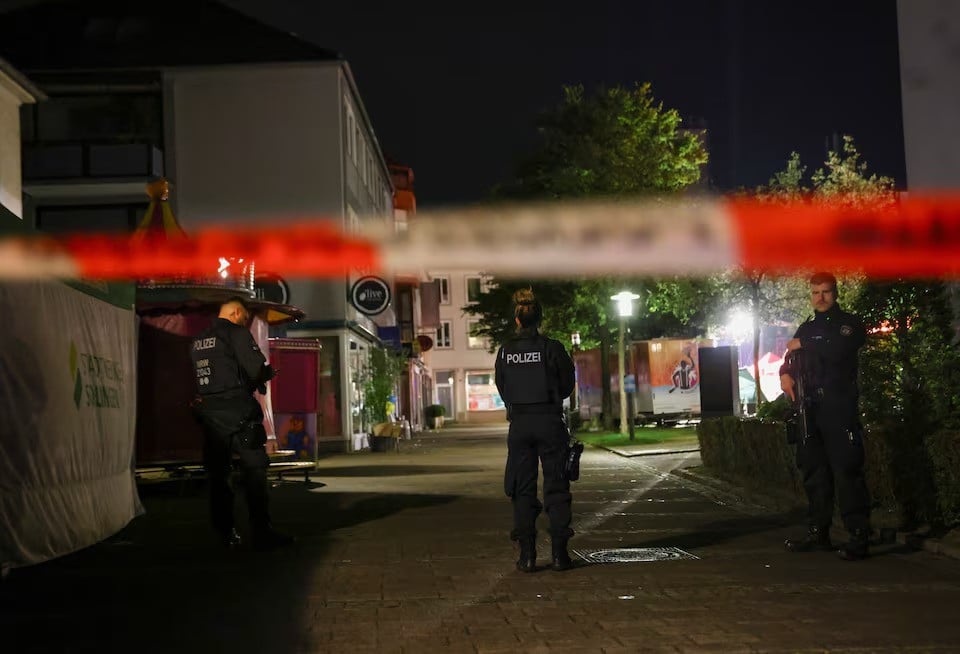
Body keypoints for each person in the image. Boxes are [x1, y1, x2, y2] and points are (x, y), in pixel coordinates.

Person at [190, 297, 293, 551]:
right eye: (245, 318)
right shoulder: (236, 334)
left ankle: (225, 534)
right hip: (238, 412)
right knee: (254, 470)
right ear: (236, 312)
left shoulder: (198, 340)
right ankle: (261, 531)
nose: (245, 323)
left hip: (211, 414)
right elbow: (256, 368)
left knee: (219, 476)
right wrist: (265, 373)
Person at [779, 272, 869, 560]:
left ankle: (858, 536)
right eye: (815, 292)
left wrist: (805, 344)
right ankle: (819, 533)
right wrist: (784, 375)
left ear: (836, 293)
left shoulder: (848, 325)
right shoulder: (807, 327)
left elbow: (839, 349)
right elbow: (789, 357)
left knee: (846, 471)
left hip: (838, 406)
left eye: (826, 292)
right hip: (810, 408)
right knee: (814, 473)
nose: (821, 297)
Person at [495, 288, 577, 572]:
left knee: (522, 490)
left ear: (516, 320)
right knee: (557, 486)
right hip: (550, 422)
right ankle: (559, 554)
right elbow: (567, 386)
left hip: (520, 425)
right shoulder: (552, 348)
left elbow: (502, 388)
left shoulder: (505, 352)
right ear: (539, 318)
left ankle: (527, 555)